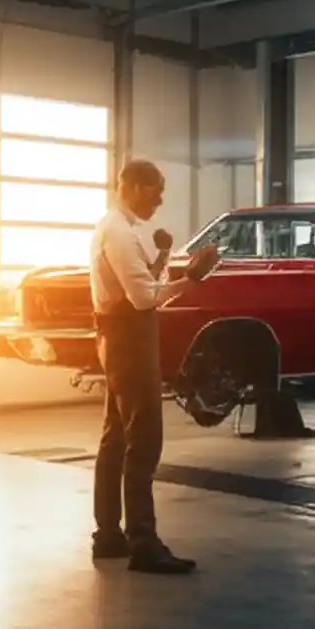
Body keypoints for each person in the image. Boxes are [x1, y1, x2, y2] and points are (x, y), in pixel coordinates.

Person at [89, 159, 221, 574]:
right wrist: (193, 280)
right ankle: (144, 543)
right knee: (143, 441)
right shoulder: (119, 232)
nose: (160, 199)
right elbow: (145, 298)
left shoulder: (116, 228)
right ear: (131, 185)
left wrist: (164, 253)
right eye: (155, 190)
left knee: (115, 438)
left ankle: (108, 536)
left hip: (117, 339)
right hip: (130, 342)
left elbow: (143, 280)